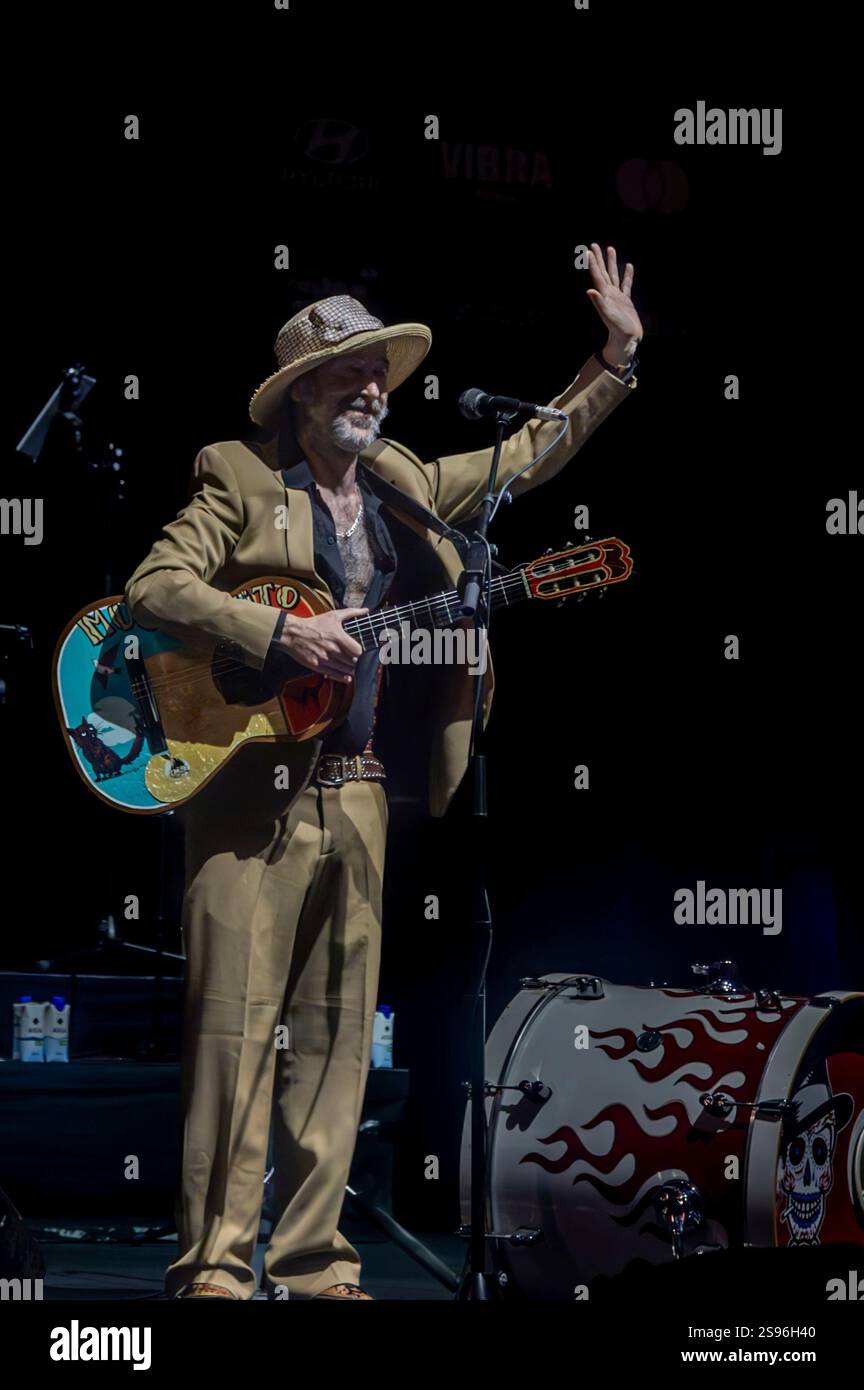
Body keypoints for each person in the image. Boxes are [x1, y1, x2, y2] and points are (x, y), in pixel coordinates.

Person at [123, 245, 643, 1301]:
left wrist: (612, 363)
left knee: (335, 1039)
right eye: (348, 372)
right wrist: (278, 633)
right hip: (248, 798)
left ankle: (314, 1263)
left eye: (379, 372)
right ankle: (214, 1267)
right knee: (233, 1036)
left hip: (356, 791)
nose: (371, 388)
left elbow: (518, 458)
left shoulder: (400, 484)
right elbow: (154, 585)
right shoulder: (238, 474)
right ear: (301, 393)